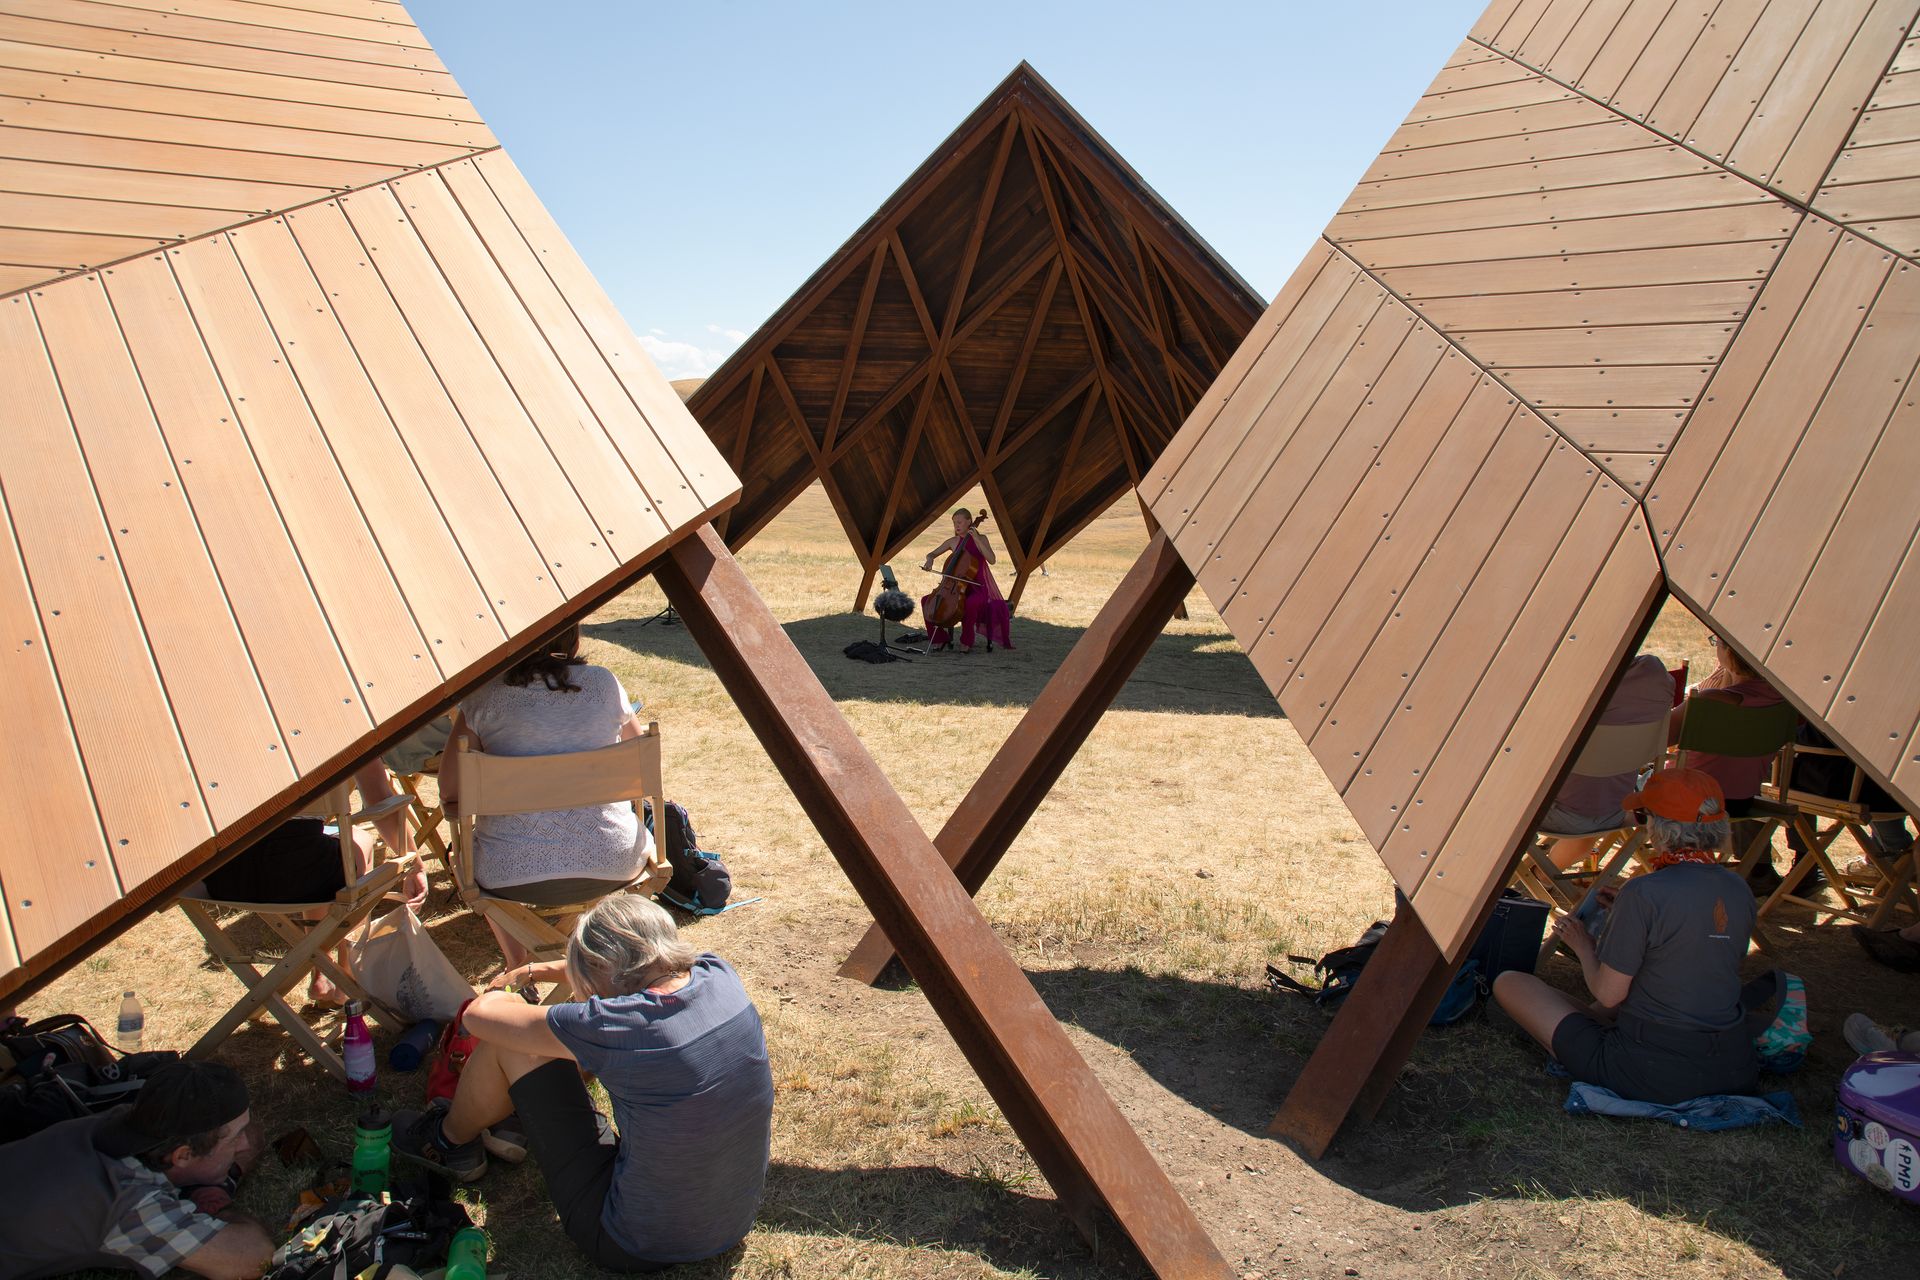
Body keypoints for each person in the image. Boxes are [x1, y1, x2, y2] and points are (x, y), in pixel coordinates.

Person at [391, 896, 773, 1271]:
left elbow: (478, 1017)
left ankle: (447, 1140)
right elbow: (636, 963)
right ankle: (510, 1121)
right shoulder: (719, 974)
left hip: (631, 1243)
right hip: (729, 1223)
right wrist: (535, 972)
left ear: (602, 969)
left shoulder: (618, 1025)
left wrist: (506, 991)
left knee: (509, 1042)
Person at [1492, 769, 1764, 1104]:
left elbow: (1609, 994)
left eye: (1644, 816)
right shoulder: (1738, 888)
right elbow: (1695, 953)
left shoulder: (1645, 892)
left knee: (1511, 983)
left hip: (1650, 1069)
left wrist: (1583, 945)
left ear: (1659, 826)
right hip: (1732, 1065)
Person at [440, 625, 657, 970]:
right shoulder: (603, 684)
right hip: (614, 859)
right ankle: (577, 959)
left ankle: (519, 965)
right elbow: (638, 766)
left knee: (463, 853)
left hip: (507, 872)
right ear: (573, 637)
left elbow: (449, 791)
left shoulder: (483, 697)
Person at [1, 1060, 272, 1280]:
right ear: (183, 1155)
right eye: (235, 1137)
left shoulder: (128, 1122)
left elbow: (254, 1137)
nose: (244, 1142)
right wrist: (216, 1203)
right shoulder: (126, 1201)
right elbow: (253, 1259)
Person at [195, 759, 423, 1004]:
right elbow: (378, 797)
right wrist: (415, 864)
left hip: (222, 877)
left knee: (313, 846)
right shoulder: (337, 724)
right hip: (301, 875)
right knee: (355, 842)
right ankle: (346, 975)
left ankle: (322, 971)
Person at [1672, 634, 1790, 889]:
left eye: (1717, 642)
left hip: (1686, 801)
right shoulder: (1783, 701)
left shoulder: (1710, 702)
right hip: (1740, 802)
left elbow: (1658, 736)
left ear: (1729, 653)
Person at [1543, 652, 1675, 870]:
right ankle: (1543, 874)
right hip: (1615, 810)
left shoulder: (1575, 687)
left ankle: (1534, 876)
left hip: (1558, 814)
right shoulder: (1653, 676)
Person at [919, 508, 1012, 653]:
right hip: (954, 589)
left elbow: (992, 560)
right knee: (926, 601)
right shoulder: (953, 541)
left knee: (970, 603)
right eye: (954, 522)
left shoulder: (982, 539)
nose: (956, 525)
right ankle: (939, 638)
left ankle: (966, 641)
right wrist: (930, 559)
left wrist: (976, 539)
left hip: (977, 589)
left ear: (969, 522)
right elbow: (932, 553)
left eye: (959, 522)